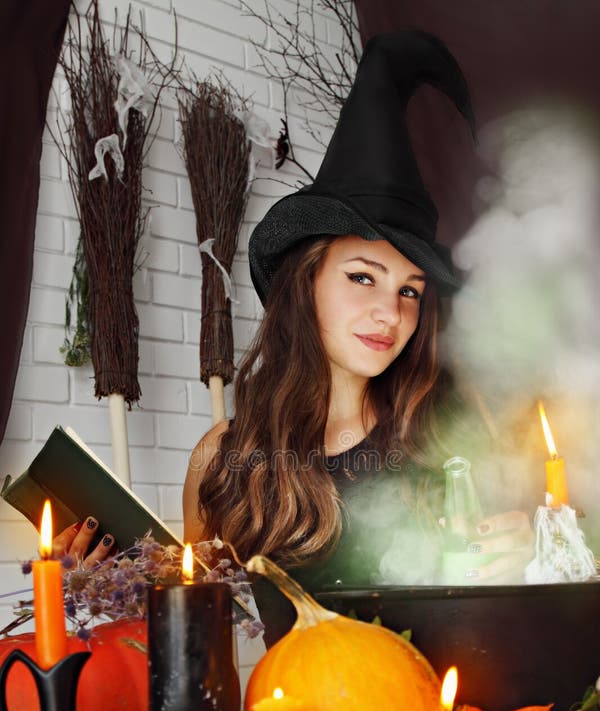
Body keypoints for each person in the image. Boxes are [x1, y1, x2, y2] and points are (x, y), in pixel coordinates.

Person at [182, 32, 533, 645]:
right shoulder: (224, 459)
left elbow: (504, 620)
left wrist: (530, 552)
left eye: (409, 289)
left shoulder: (451, 433)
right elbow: (191, 638)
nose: (389, 314)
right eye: (363, 277)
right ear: (306, 280)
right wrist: (104, 572)